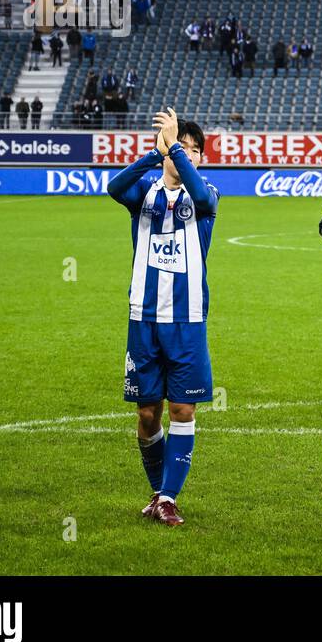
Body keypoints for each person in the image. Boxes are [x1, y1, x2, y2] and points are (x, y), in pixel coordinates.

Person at [105, 110, 218, 527]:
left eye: (191, 150)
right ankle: (157, 491)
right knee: (147, 412)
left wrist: (173, 148)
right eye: (178, 147)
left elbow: (204, 200)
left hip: (187, 320)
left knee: (183, 410)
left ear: (199, 160)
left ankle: (169, 497)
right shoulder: (145, 195)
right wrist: (154, 155)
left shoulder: (206, 196)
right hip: (144, 319)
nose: (182, 154)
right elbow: (114, 187)